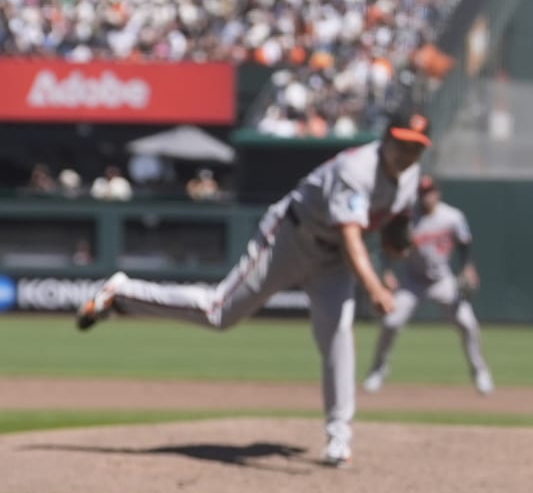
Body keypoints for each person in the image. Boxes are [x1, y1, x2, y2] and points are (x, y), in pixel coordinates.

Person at [76, 110, 434, 468]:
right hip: (290, 238)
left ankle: (339, 437)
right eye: (401, 143)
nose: (406, 152)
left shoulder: (411, 175)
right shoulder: (356, 170)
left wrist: (399, 239)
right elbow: (352, 235)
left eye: (415, 146)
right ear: (385, 139)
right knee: (220, 312)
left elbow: (396, 218)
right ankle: (122, 294)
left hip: (333, 260)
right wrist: (374, 286)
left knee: (339, 335)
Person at [364, 175, 494, 395]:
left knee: (467, 324)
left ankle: (480, 372)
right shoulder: (406, 218)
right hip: (412, 281)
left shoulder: (452, 217)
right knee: (390, 323)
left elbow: (464, 244)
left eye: (430, 192)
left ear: (438, 193)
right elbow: (388, 246)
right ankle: (378, 370)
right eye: (423, 193)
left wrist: (467, 267)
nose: (427, 197)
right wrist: (387, 272)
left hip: (442, 280)